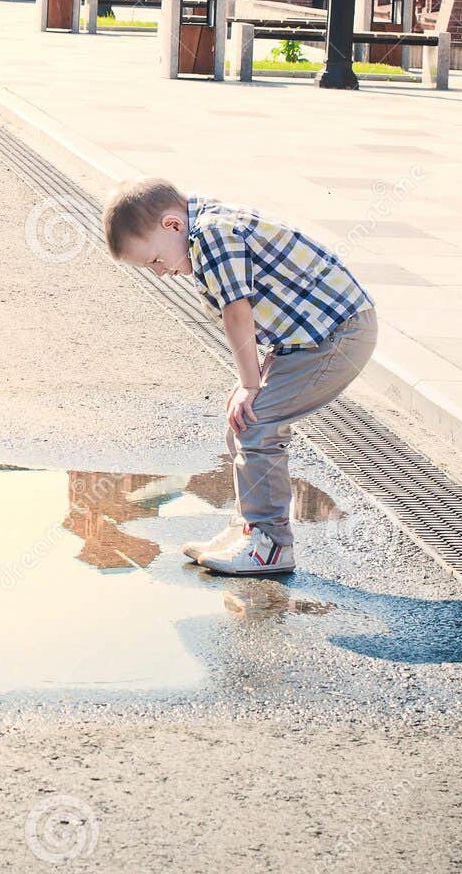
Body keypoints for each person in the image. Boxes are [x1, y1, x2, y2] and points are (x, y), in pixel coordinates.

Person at [101, 176, 377, 576]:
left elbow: (237, 312)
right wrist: (253, 380)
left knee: (259, 422)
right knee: (242, 422)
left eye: (156, 261)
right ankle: (248, 527)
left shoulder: (211, 235)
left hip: (338, 335)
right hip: (310, 336)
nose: (161, 273)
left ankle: (271, 545)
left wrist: (251, 384)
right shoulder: (201, 228)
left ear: (173, 225)